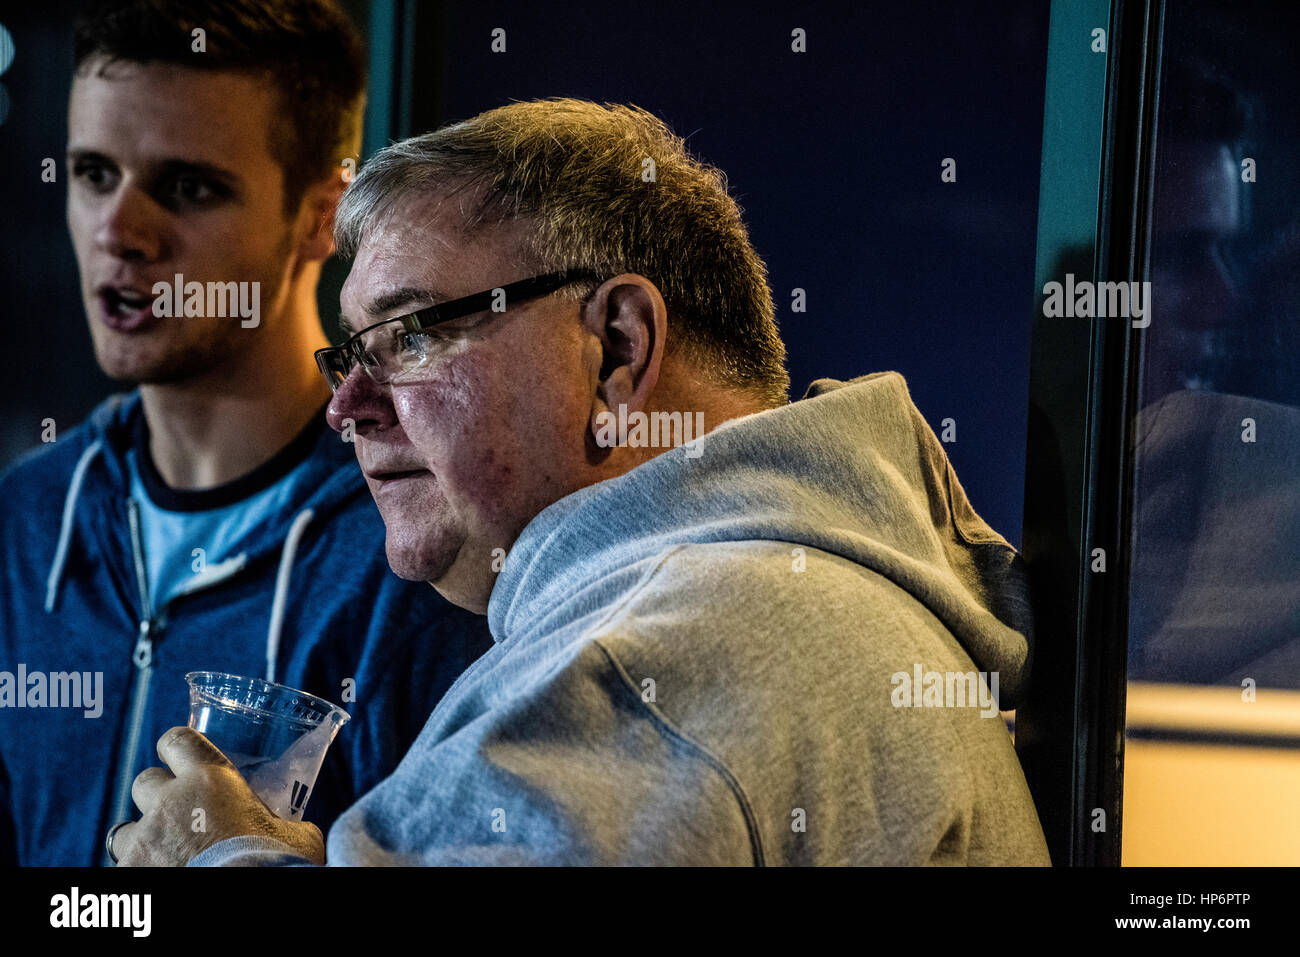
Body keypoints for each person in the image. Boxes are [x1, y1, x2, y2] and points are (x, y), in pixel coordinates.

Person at [116, 98, 1051, 866]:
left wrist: (219, 856)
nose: (348, 405)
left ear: (618, 349)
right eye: (347, 355)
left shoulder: (660, 657)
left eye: (409, 335)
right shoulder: (794, 603)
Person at [0, 0, 492, 867]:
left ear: (318, 216)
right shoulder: (30, 521)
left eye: (187, 186)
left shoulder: (413, 555)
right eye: (92, 174)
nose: (120, 231)